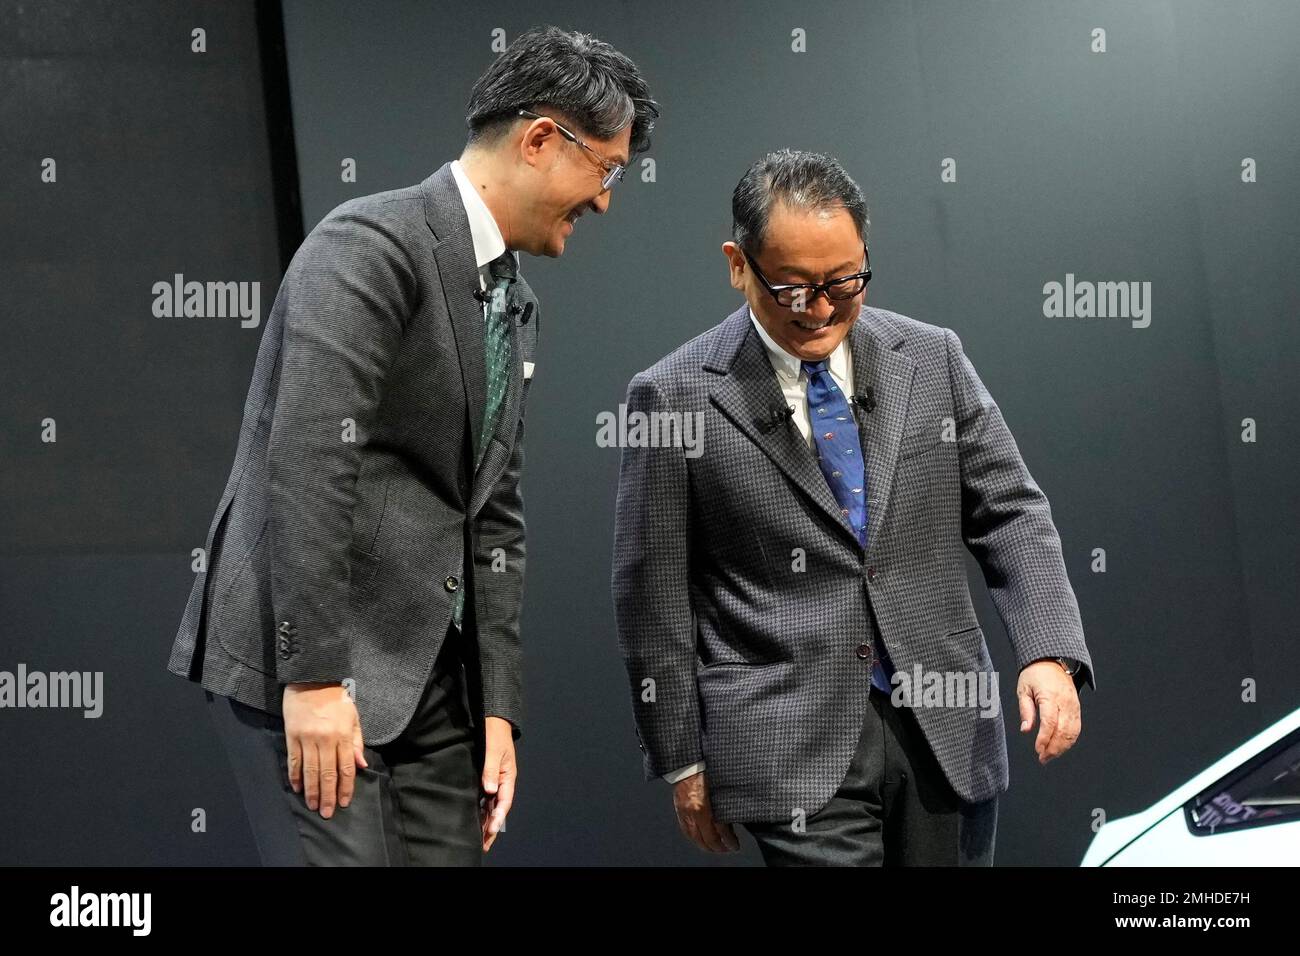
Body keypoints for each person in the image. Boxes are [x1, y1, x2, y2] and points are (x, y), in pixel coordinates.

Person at [168, 25, 657, 865]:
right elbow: (310, 464)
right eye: (605, 170)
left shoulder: (515, 302)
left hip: (434, 686)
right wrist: (314, 680)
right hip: (318, 667)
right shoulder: (370, 246)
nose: (606, 199)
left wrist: (497, 708)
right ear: (541, 138)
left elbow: (494, 515)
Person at [611, 149, 1094, 866]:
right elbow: (652, 593)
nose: (824, 308)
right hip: (789, 746)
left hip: (946, 723)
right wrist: (681, 758)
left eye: (846, 281)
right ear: (738, 264)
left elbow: (1011, 511)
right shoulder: (673, 395)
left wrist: (1050, 652)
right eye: (795, 289)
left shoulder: (932, 358)